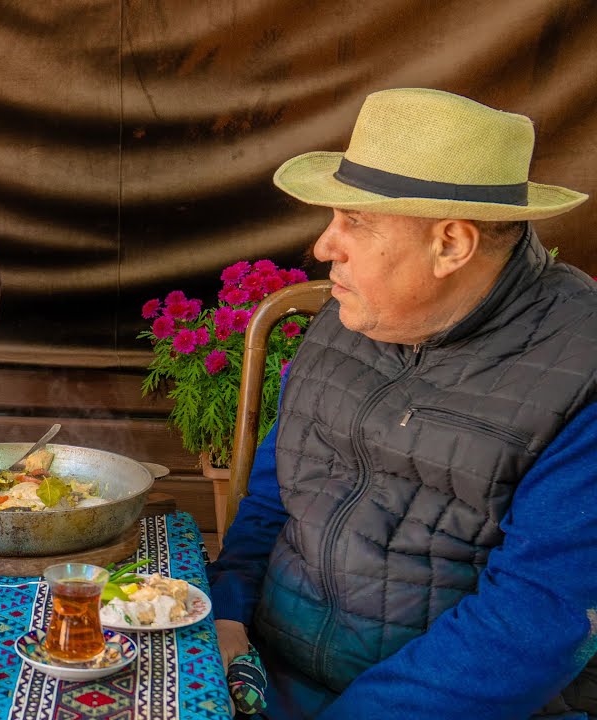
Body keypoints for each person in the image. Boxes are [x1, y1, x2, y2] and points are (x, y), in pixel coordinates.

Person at [208, 88, 596, 719]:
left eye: (354, 222)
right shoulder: (346, 320)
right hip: (273, 675)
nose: (324, 247)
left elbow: (535, 622)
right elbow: (273, 502)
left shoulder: (581, 371)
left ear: (451, 244)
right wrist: (223, 618)